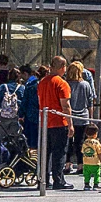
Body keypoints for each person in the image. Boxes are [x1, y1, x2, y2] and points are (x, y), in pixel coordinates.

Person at [38, 57, 72, 190]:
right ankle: (59, 180)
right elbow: (66, 106)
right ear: (63, 67)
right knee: (59, 153)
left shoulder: (42, 82)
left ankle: (43, 179)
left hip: (45, 122)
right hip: (59, 122)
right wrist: (70, 124)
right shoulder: (62, 83)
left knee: (45, 153)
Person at [80, 125, 101, 190]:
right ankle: (96, 185)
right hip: (95, 162)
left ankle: (86, 184)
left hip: (86, 162)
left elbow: (83, 151)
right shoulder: (96, 142)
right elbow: (99, 152)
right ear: (95, 134)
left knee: (87, 174)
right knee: (97, 174)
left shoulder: (85, 142)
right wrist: (100, 159)